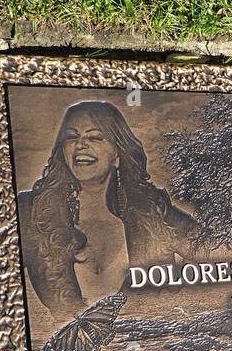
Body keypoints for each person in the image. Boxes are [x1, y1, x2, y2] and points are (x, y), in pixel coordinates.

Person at [19, 100, 202, 319]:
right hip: (68, 350)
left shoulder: (153, 211)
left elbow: (222, 252)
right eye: (71, 137)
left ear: (117, 155)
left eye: (94, 137)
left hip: (145, 345)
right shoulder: (32, 212)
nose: (80, 145)